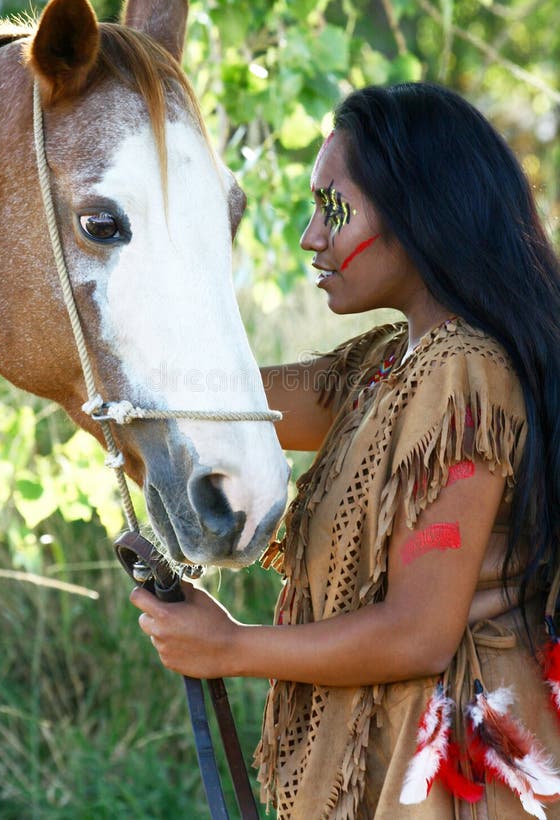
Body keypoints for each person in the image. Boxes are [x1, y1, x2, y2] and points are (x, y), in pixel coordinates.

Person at [130, 82, 560, 819]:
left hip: (453, 785)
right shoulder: (387, 365)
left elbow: (419, 635)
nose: (310, 236)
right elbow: (219, 403)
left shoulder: (465, 368)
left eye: (333, 207)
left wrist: (230, 648)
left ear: (419, 207)